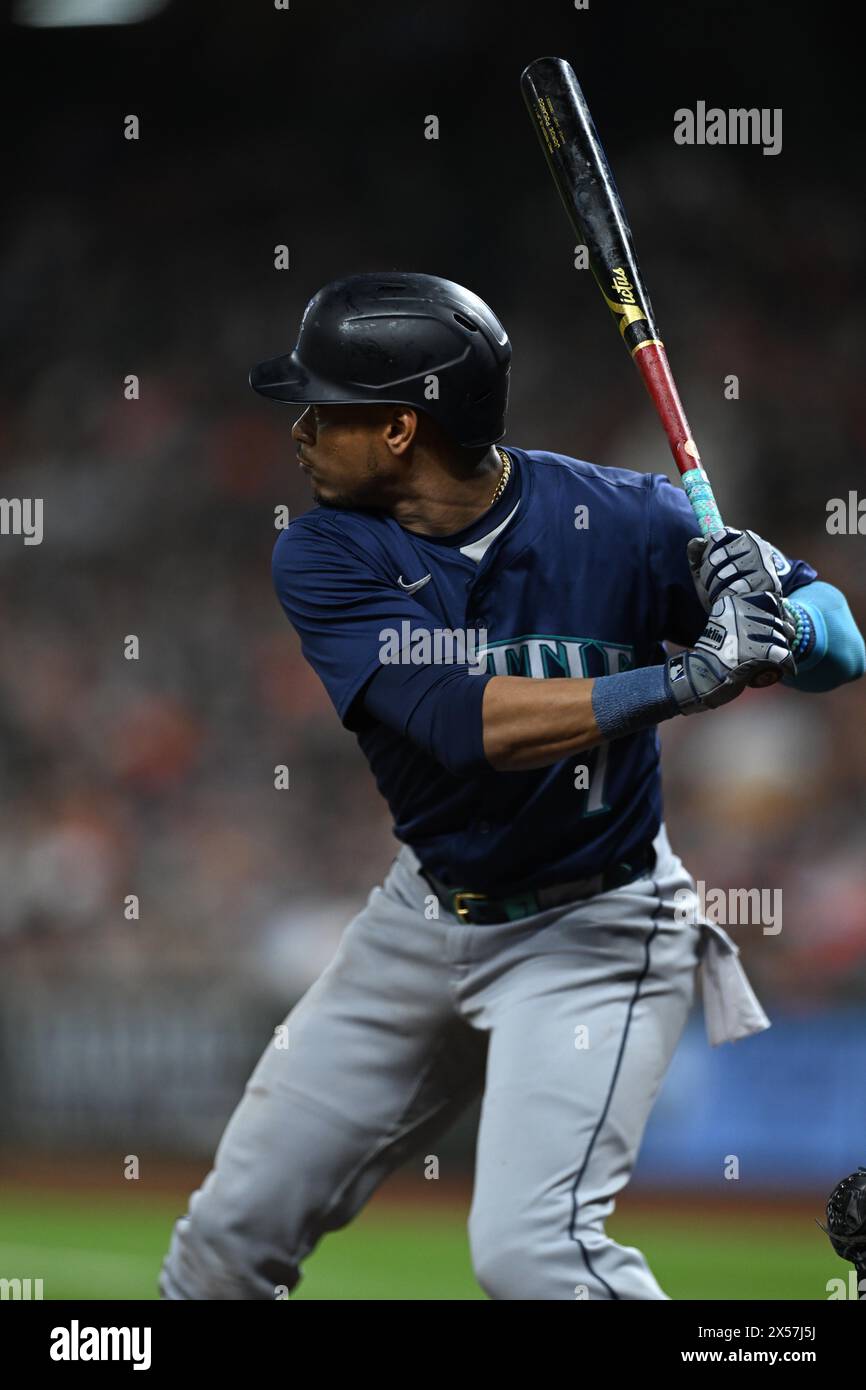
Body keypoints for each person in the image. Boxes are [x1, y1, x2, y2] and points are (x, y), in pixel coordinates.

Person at [160, 272, 864, 1300]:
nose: (301, 428)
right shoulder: (325, 551)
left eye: (325, 406)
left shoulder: (624, 518)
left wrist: (776, 623)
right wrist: (682, 678)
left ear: (401, 428)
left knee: (533, 1258)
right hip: (422, 915)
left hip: (598, 928)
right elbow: (463, 722)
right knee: (224, 1241)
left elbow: (843, 643)